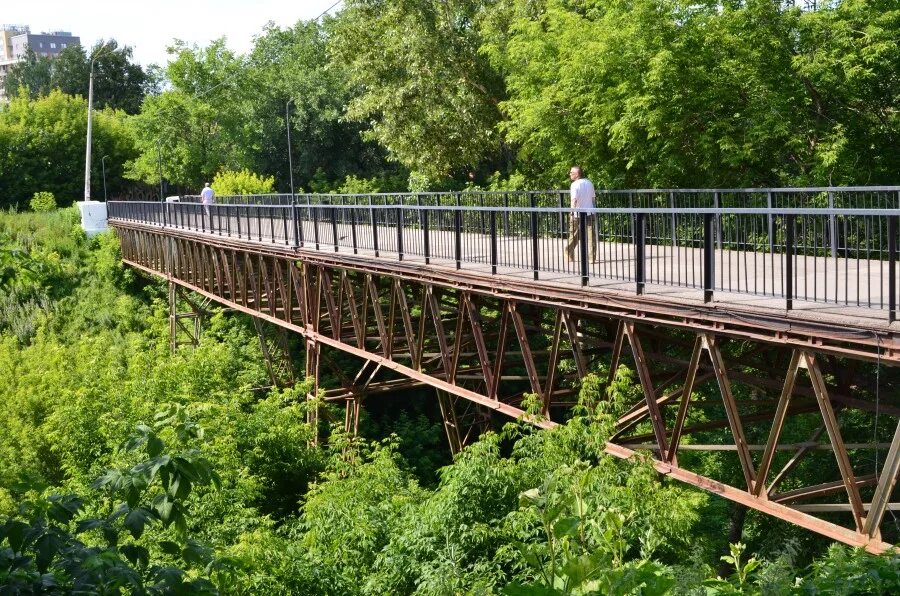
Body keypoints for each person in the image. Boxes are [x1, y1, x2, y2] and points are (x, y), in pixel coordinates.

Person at [565, 166, 597, 262]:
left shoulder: (574, 185)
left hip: (577, 214)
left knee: (574, 235)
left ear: (576, 174)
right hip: (590, 212)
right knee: (591, 236)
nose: (569, 174)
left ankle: (568, 252)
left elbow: (574, 200)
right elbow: (593, 199)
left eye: (571, 172)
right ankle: (592, 258)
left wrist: (571, 212)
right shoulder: (589, 183)